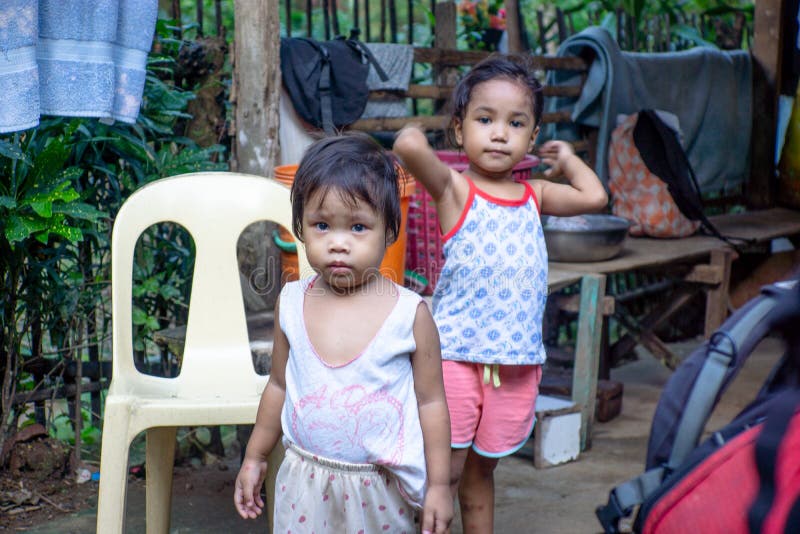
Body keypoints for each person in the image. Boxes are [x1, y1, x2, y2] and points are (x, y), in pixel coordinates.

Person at [393, 54, 608, 532]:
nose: (498, 133)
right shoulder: (454, 190)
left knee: (482, 469)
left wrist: (569, 160)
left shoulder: (536, 195)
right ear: (459, 129)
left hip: (514, 361)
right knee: (443, 472)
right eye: (484, 119)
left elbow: (594, 198)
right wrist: (417, 131)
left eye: (515, 123)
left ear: (531, 139)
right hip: (454, 358)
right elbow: (408, 145)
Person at [233, 133, 453, 534]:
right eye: (322, 225)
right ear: (300, 228)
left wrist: (439, 485)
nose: (338, 243)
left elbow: (432, 403)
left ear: (389, 231)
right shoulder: (292, 302)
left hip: (381, 491)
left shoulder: (409, 315)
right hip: (305, 483)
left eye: (357, 227)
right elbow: (279, 385)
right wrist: (255, 456)